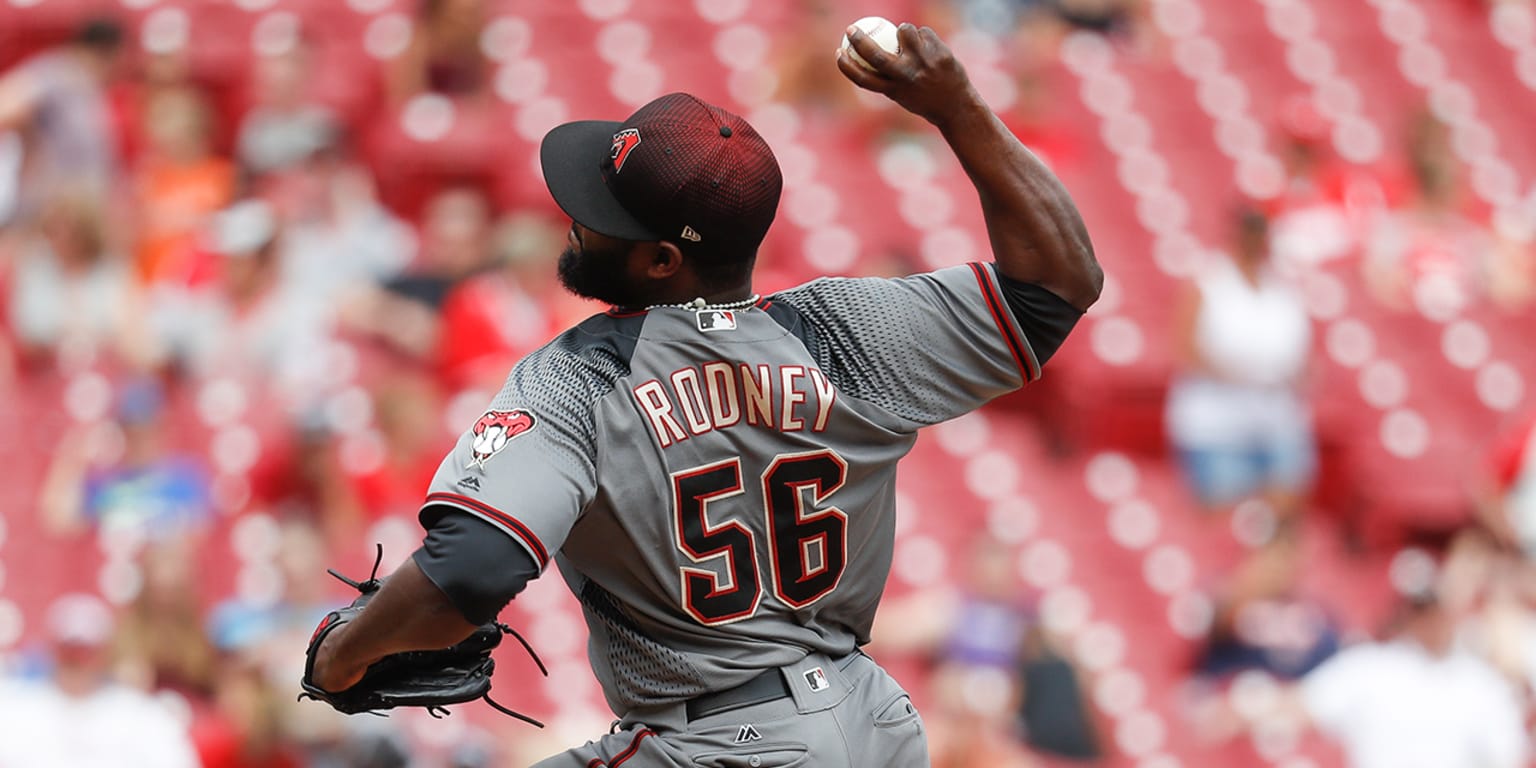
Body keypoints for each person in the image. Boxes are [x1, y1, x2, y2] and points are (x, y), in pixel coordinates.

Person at [307, 22, 1100, 767]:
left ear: (660, 262)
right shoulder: (844, 330)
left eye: (599, 216)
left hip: (720, 742)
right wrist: (958, 109)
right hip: (871, 727)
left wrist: (342, 656)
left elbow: (473, 568)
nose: (574, 220)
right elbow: (1059, 284)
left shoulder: (582, 375)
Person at [1165, 206, 1315, 517]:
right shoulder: (1210, 282)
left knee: (1283, 512)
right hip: (1218, 423)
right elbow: (1186, 348)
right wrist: (1242, 373)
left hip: (1274, 420)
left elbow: (1301, 358)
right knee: (1224, 513)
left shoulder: (1281, 289)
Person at [0, 593, 200, 768]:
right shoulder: (16, 711)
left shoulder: (139, 713)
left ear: (104, 653)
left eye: (86, 652)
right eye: (68, 651)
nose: (77, 662)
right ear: (52, 650)